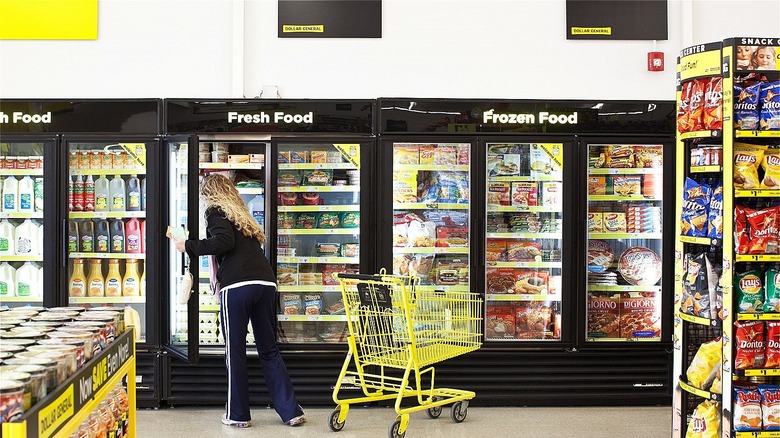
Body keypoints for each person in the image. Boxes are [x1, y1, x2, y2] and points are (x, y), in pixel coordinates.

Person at [171, 173, 305, 428]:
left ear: (208, 193)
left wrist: (187, 245)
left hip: (238, 287)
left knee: (235, 351)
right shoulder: (241, 215)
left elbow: (223, 242)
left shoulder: (215, 211)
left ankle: (238, 414)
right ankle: (291, 411)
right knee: (268, 349)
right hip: (265, 283)